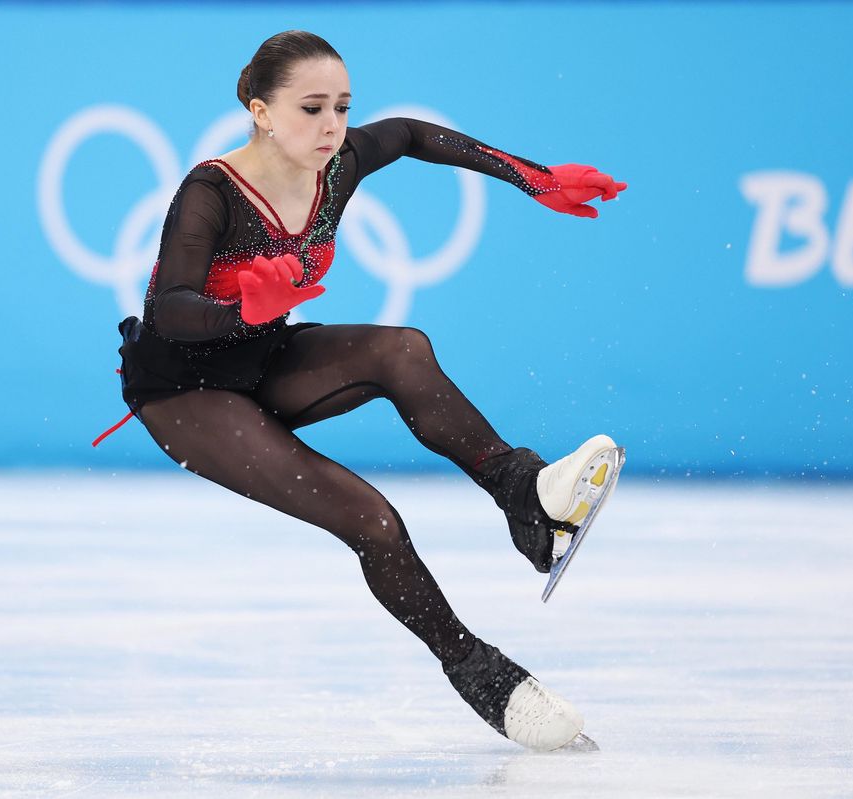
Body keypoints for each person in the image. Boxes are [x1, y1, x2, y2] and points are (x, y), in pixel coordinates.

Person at [105, 30, 626, 751]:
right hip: (183, 393)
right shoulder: (211, 191)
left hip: (260, 358)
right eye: (311, 108)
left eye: (342, 109)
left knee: (402, 350)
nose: (332, 127)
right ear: (259, 111)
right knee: (373, 520)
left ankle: (525, 496)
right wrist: (237, 311)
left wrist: (534, 177)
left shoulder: (338, 166)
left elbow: (410, 134)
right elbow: (170, 311)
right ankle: (488, 680)